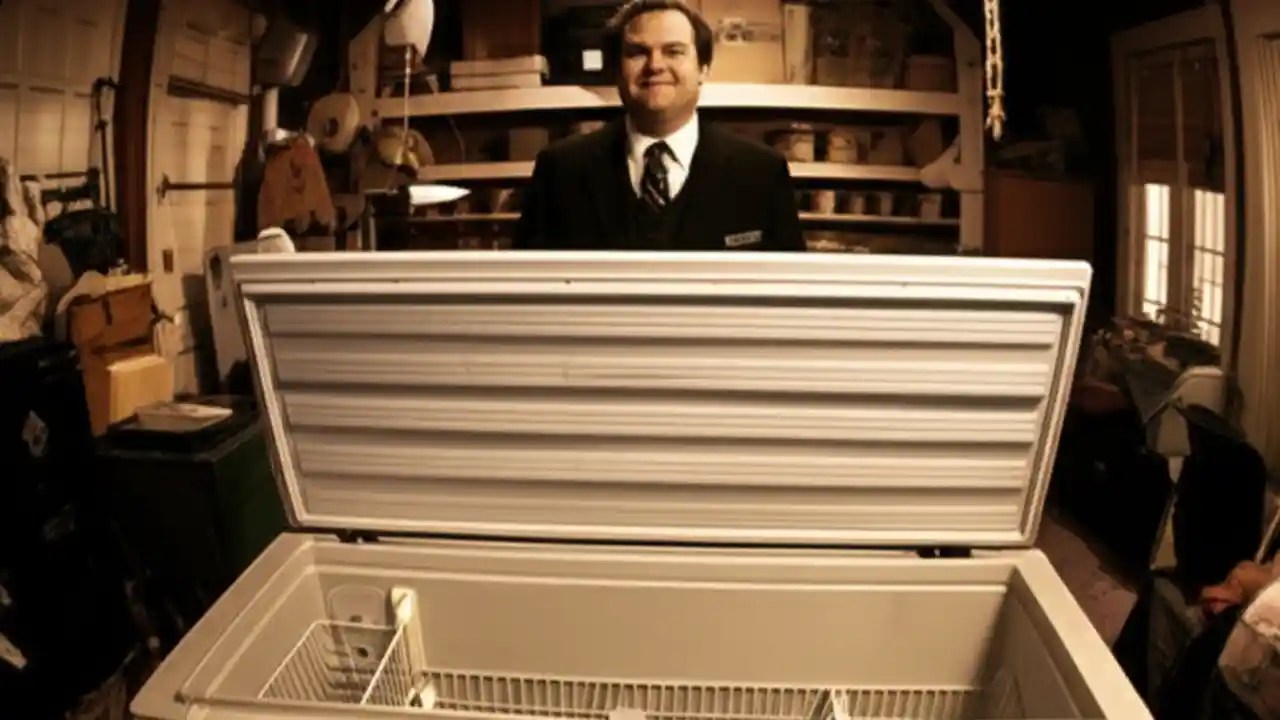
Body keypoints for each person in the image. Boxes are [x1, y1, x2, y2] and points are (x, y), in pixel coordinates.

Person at [512, 0, 805, 252]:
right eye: (637, 52)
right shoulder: (559, 171)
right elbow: (524, 296)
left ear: (704, 68)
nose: (655, 65)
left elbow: (791, 301)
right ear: (617, 70)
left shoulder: (762, 174)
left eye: (674, 51)